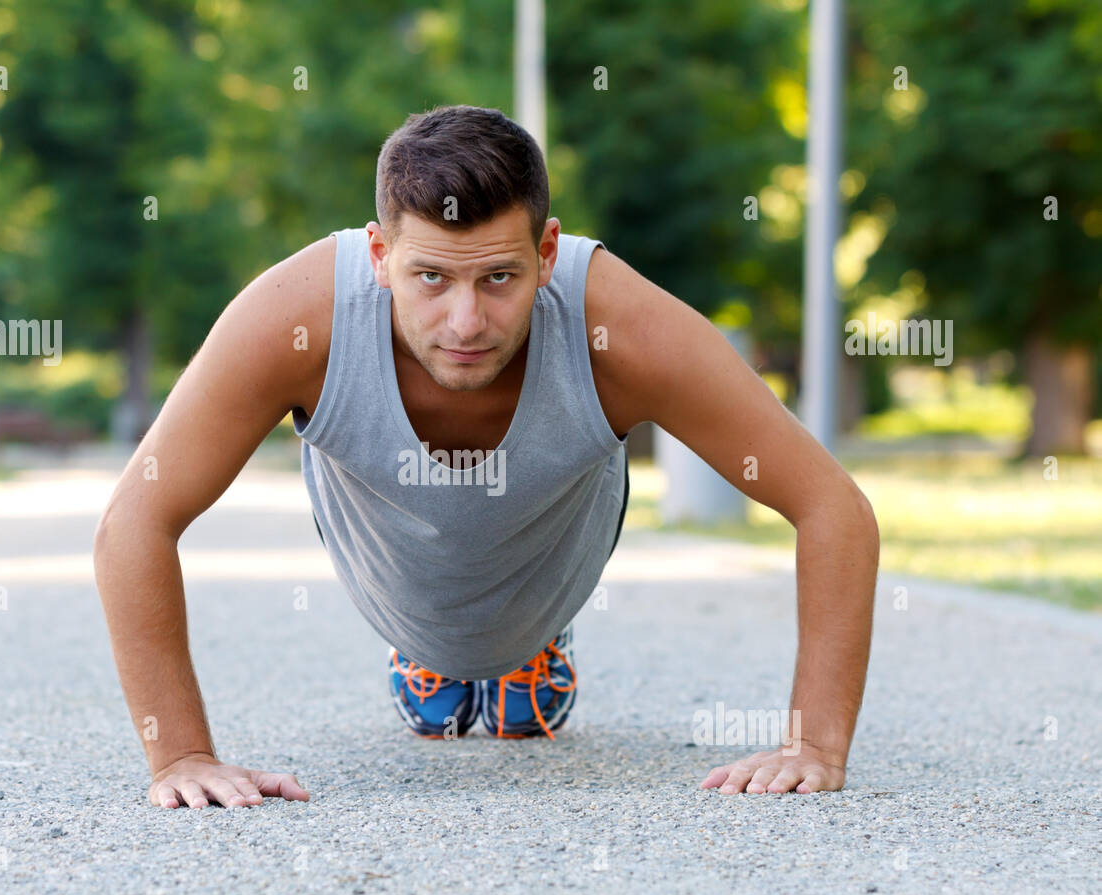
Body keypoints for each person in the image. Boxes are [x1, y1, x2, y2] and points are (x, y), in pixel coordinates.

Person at [93, 105, 879, 810]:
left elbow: (831, 506)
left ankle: (528, 646)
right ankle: (435, 653)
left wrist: (813, 744)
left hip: (550, 538)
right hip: (392, 545)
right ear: (377, 254)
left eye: (500, 277)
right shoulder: (294, 318)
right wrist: (182, 754)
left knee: (515, 683)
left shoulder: (624, 326)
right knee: (448, 661)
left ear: (547, 250)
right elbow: (137, 518)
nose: (465, 320)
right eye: (429, 277)